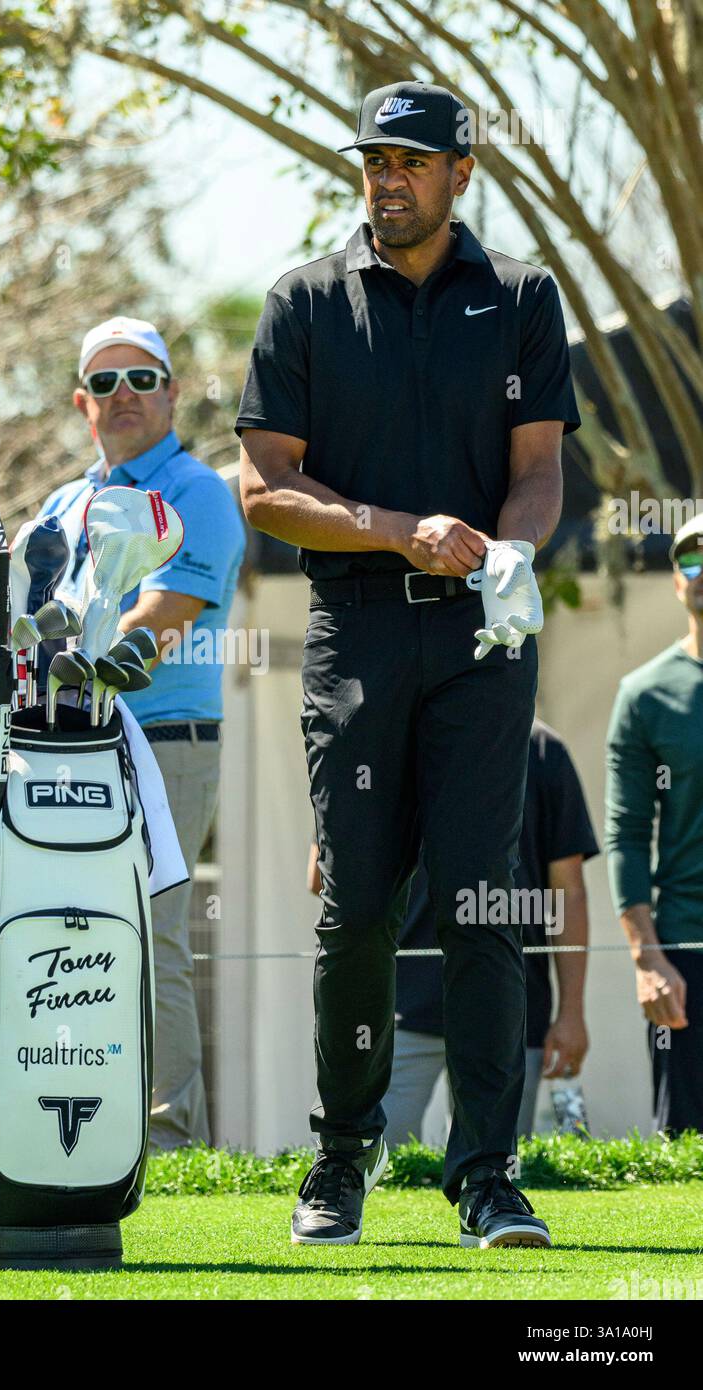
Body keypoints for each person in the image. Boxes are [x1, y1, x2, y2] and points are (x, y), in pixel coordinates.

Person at [237, 81, 579, 1248]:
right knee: (361, 908)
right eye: (374, 161)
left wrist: (513, 553)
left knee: (485, 902)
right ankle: (341, 1157)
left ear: (461, 174)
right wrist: (398, 530)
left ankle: (486, 1171)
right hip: (359, 634)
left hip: (484, 637)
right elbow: (266, 488)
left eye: (412, 162)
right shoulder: (305, 302)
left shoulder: (524, 296)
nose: (388, 179)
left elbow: (539, 468)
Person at [34, 315, 245, 1147]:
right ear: (82, 402)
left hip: (161, 741)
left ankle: (168, 1138)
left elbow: (153, 625)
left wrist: (78, 661)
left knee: (149, 936)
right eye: (106, 383)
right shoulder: (63, 502)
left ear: (174, 393)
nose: (125, 396)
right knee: (67, 934)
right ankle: (74, 1126)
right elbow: (32, 621)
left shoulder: (195, 491)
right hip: (68, 744)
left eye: (143, 379)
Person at [363, 721, 596, 1145]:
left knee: (388, 1163)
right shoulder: (392, 740)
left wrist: (572, 1012)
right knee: (480, 1171)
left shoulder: (542, 749)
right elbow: (322, 872)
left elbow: (569, 892)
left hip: (500, 1006)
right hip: (423, 1004)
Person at [605, 514, 703, 1133]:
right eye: (692, 561)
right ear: (675, 582)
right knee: (688, 1155)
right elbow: (627, 834)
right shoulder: (644, 695)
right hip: (688, 950)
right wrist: (648, 959)